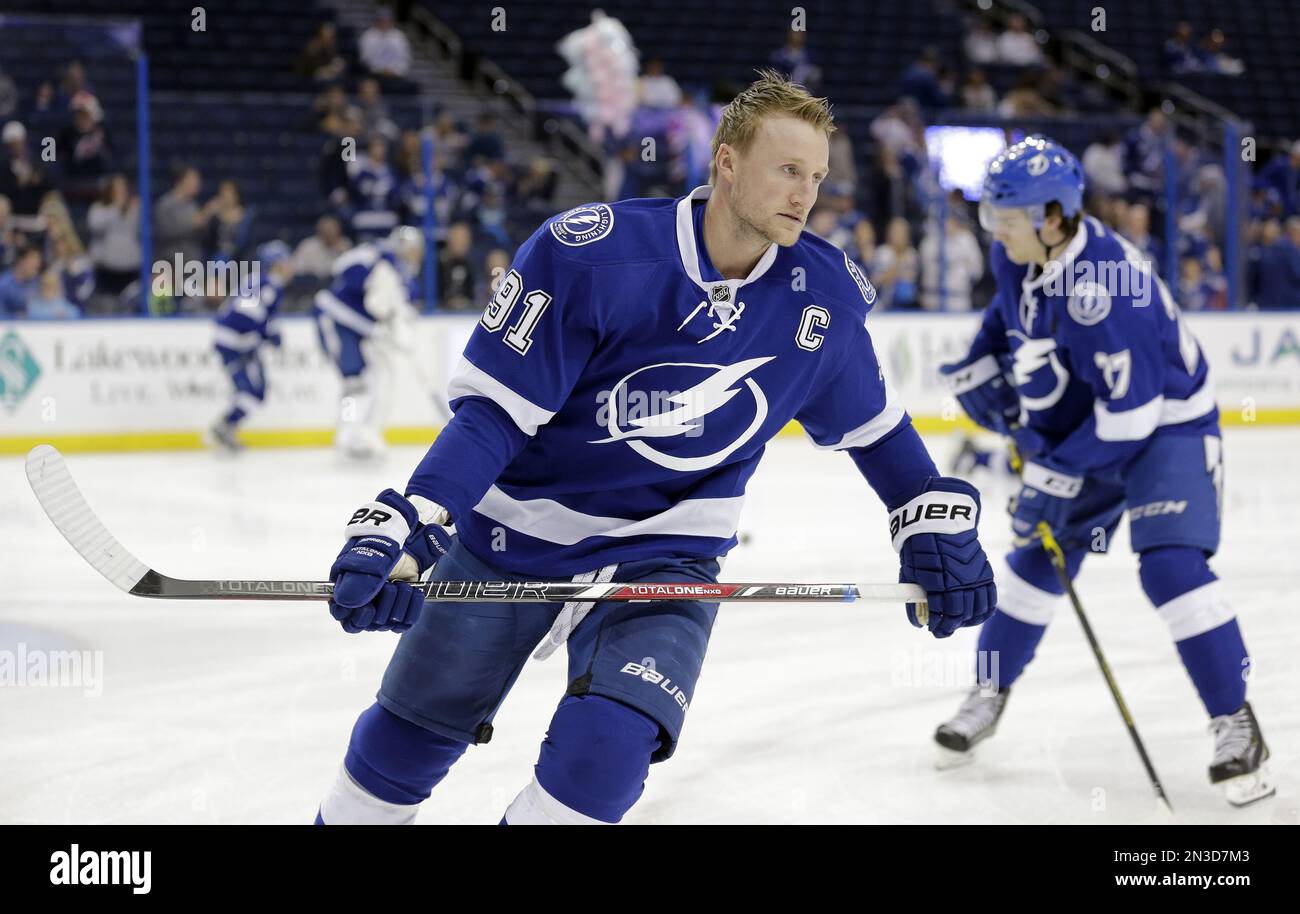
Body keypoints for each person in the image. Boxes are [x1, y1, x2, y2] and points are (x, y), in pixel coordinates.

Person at [312, 72, 997, 826]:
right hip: (516, 537)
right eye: (789, 170)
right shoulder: (590, 256)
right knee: (397, 757)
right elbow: (492, 419)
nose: (808, 194)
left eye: (819, 177)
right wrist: (416, 518)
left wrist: (926, 514)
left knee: (601, 763)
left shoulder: (820, 298)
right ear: (726, 163)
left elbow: (878, 432)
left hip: (666, 557)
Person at [936, 137, 1273, 807]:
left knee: (1170, 568)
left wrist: (1049, 475)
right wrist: (975, 369)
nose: (994, 233)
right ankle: (989, 690)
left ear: (1054, 217)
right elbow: (1007, 319)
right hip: (1093, 425)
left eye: (1006, 219)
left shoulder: (1106, 288)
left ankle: (1235, 722)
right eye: (992, 219)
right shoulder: (1020, 253)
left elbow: (1133, 417)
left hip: (1165, 427)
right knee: (1037, 558)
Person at [313, 224, 424, 460]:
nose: (415, 254)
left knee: (365, 381)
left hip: (356, 327)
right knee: (353, 383)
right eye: (412, 248)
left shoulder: (400, 272)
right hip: (336, 320)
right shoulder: (380, 259)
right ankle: (345, 433)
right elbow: (349, 275)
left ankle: (356, 433)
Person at [208, 242, 295, 452]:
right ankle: (225, 425)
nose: (290, 266)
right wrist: (270, 335)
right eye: (286, 261)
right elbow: (251, 316)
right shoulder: (270, 285)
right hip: (238, 344)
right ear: (276, 264)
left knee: (252, 391)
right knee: (254, 391)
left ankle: (228, 425)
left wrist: (267, 334)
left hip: (233, 341)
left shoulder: (255, 280)